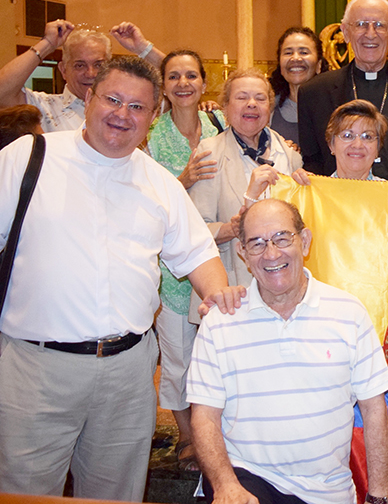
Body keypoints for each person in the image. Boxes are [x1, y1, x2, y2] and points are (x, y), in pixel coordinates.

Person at [0, 55, 239, 500]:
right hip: (36, 369)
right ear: (89, 97)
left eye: (137, 108)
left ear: (151, 118)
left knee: (117, 494)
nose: (122, 115)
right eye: (113, 99)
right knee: (24, 491)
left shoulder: (158, 181)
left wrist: (217, 298)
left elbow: (198, 253)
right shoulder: (29, 158)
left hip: (129, 373)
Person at [188, 199, 388, 504]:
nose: (271, 254)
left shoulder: (349, 312)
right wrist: (225, 485)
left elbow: (374, 408)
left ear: (305, 241)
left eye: (282, 238)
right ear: (243, 253)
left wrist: (379, 497)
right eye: (256, 244)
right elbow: (204, 416)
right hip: (246, 480)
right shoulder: (220, 320)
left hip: (328, 493)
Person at [146, 49, 226, 471]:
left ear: (203, 82)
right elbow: (144, 194)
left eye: (191, 75)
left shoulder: (220, 122)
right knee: (179, 359)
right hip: (174, 269)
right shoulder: (151, 133)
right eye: (173, 76)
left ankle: (221, 432)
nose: (183, 83)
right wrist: (184, 180)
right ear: (163, 86)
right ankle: (189, 435)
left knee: (221, 352)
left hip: (221, 255)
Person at [298, 0, 388, 182]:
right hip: (339, 200)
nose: (370, 34)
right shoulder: (315, 92)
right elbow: (312, 162)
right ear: (346, 32)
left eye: (380, 25)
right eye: (361, 24)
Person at [188, 69, 305, 290]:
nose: (251, 103)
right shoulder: (209, 153)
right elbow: (195, 229)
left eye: (260, 98)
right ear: (225, 108)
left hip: (286, 281)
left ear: (269, 108)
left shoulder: (289, 154)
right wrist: (230, 229)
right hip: (233, 283)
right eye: (242, 97)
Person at [0, 20, 166, 131]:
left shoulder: (126, 110)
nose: (90, 73)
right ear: (63, 70)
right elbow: (2, 91)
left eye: (99, 65)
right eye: (80, 65)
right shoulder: (44, 108)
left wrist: (143, 49)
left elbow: (181, 83)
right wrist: (47, 44)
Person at [268, 26, 329, 145]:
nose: (295, 58)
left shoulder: (334, 107)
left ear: (319, 65)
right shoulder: (268, 109)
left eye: (304, 52)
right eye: (288, 53)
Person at [326, 99, 388, 180]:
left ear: (378, 147)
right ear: (331, 144)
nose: (357, 145)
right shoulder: (312, 191)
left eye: (367, 137)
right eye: (347, 135)